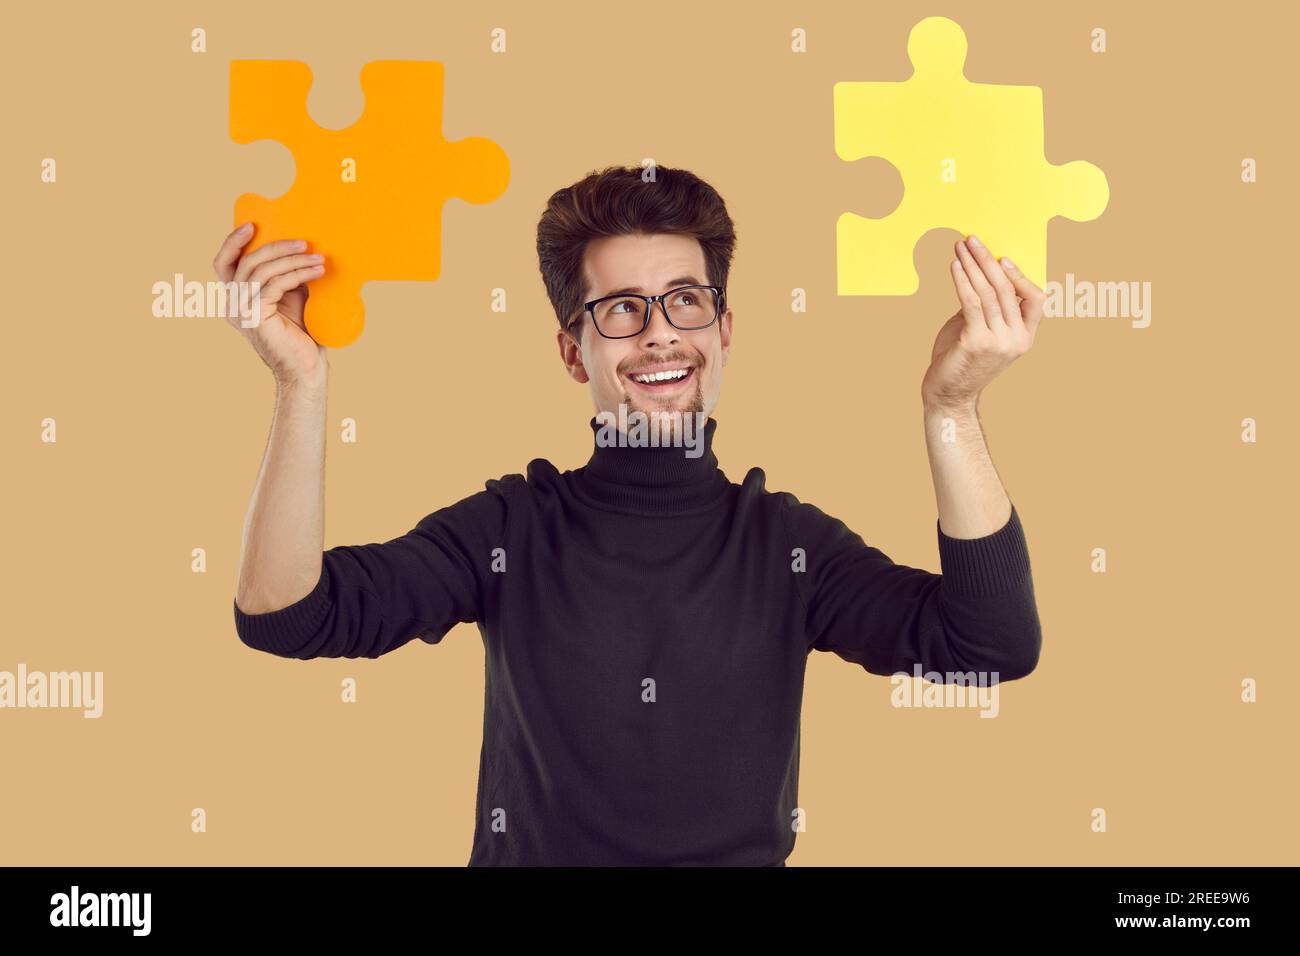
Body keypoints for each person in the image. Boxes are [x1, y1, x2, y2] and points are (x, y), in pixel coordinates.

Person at [218, 164, 1043, 866]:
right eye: (621, 309)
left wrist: (953, 408)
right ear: (575, 351)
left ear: (724, 331)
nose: (658, 335)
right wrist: (300, 385)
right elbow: (287, 617)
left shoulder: (790, 547)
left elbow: (990, 644)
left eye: (685, 301)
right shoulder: (508, 531)